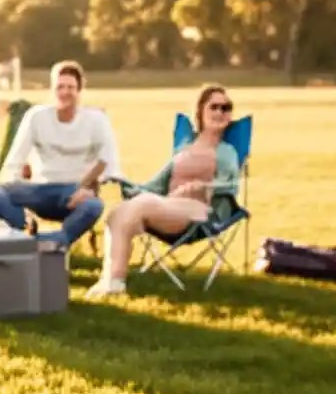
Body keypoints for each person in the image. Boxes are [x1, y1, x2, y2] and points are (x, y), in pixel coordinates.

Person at [86, 84, 239, 297]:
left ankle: (112, 282)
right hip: (166, 206)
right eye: (214, 107)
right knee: (117, 214)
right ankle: (112, 281)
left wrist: (204, 186)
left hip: (197, 212)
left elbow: (231, 186)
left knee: (140, 206)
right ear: (201, 112)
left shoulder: (226, 152)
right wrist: (120, 180)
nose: (220, 112)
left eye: (226, 108)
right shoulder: (184, 149)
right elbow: (154, 186)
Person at [0, 60, 122, 248]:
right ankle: (23, 236)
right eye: (60, 87)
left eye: (70, 87)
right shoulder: (36, 116)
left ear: (79, 90)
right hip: (39, 190)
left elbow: (109, 161)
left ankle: (57, 241)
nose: (65, 92)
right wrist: (14, 191)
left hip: (74, 192)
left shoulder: (96, 119)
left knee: (94, 206)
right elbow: (14, 161)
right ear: (52, 89)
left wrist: (89, 189)